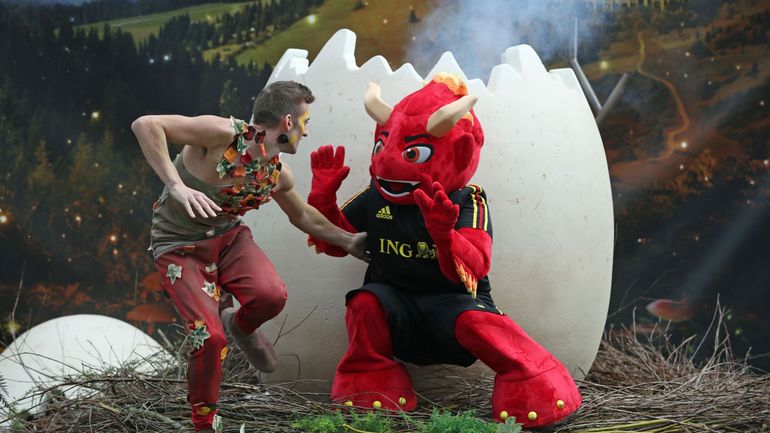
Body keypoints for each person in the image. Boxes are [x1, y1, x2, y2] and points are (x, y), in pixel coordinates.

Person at [307, 75, 581, 428]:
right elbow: (333, 243)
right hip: (395, 302)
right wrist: (324, 200)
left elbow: (477, 266)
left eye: (412, 153)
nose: (385, 163)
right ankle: (371, 390)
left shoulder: (467, 200)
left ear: (461, 151)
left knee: (479, 323)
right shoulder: (376, 196)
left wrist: (445, 235)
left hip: (450, 305)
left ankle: (538, 384)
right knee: (363, 304)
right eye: (382, 148)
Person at [131, 81, 368, 433]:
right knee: (208, 339)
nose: (306, 131)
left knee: (271, 296)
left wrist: (348, 241)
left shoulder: (276, 174)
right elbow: (146, 124)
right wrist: (177, 186)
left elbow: (301, 216)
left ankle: (240, 326)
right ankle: (204, 422)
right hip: (178, 245)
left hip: (228, 239)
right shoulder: (220, 134)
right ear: (288, 122)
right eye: (305, 122)